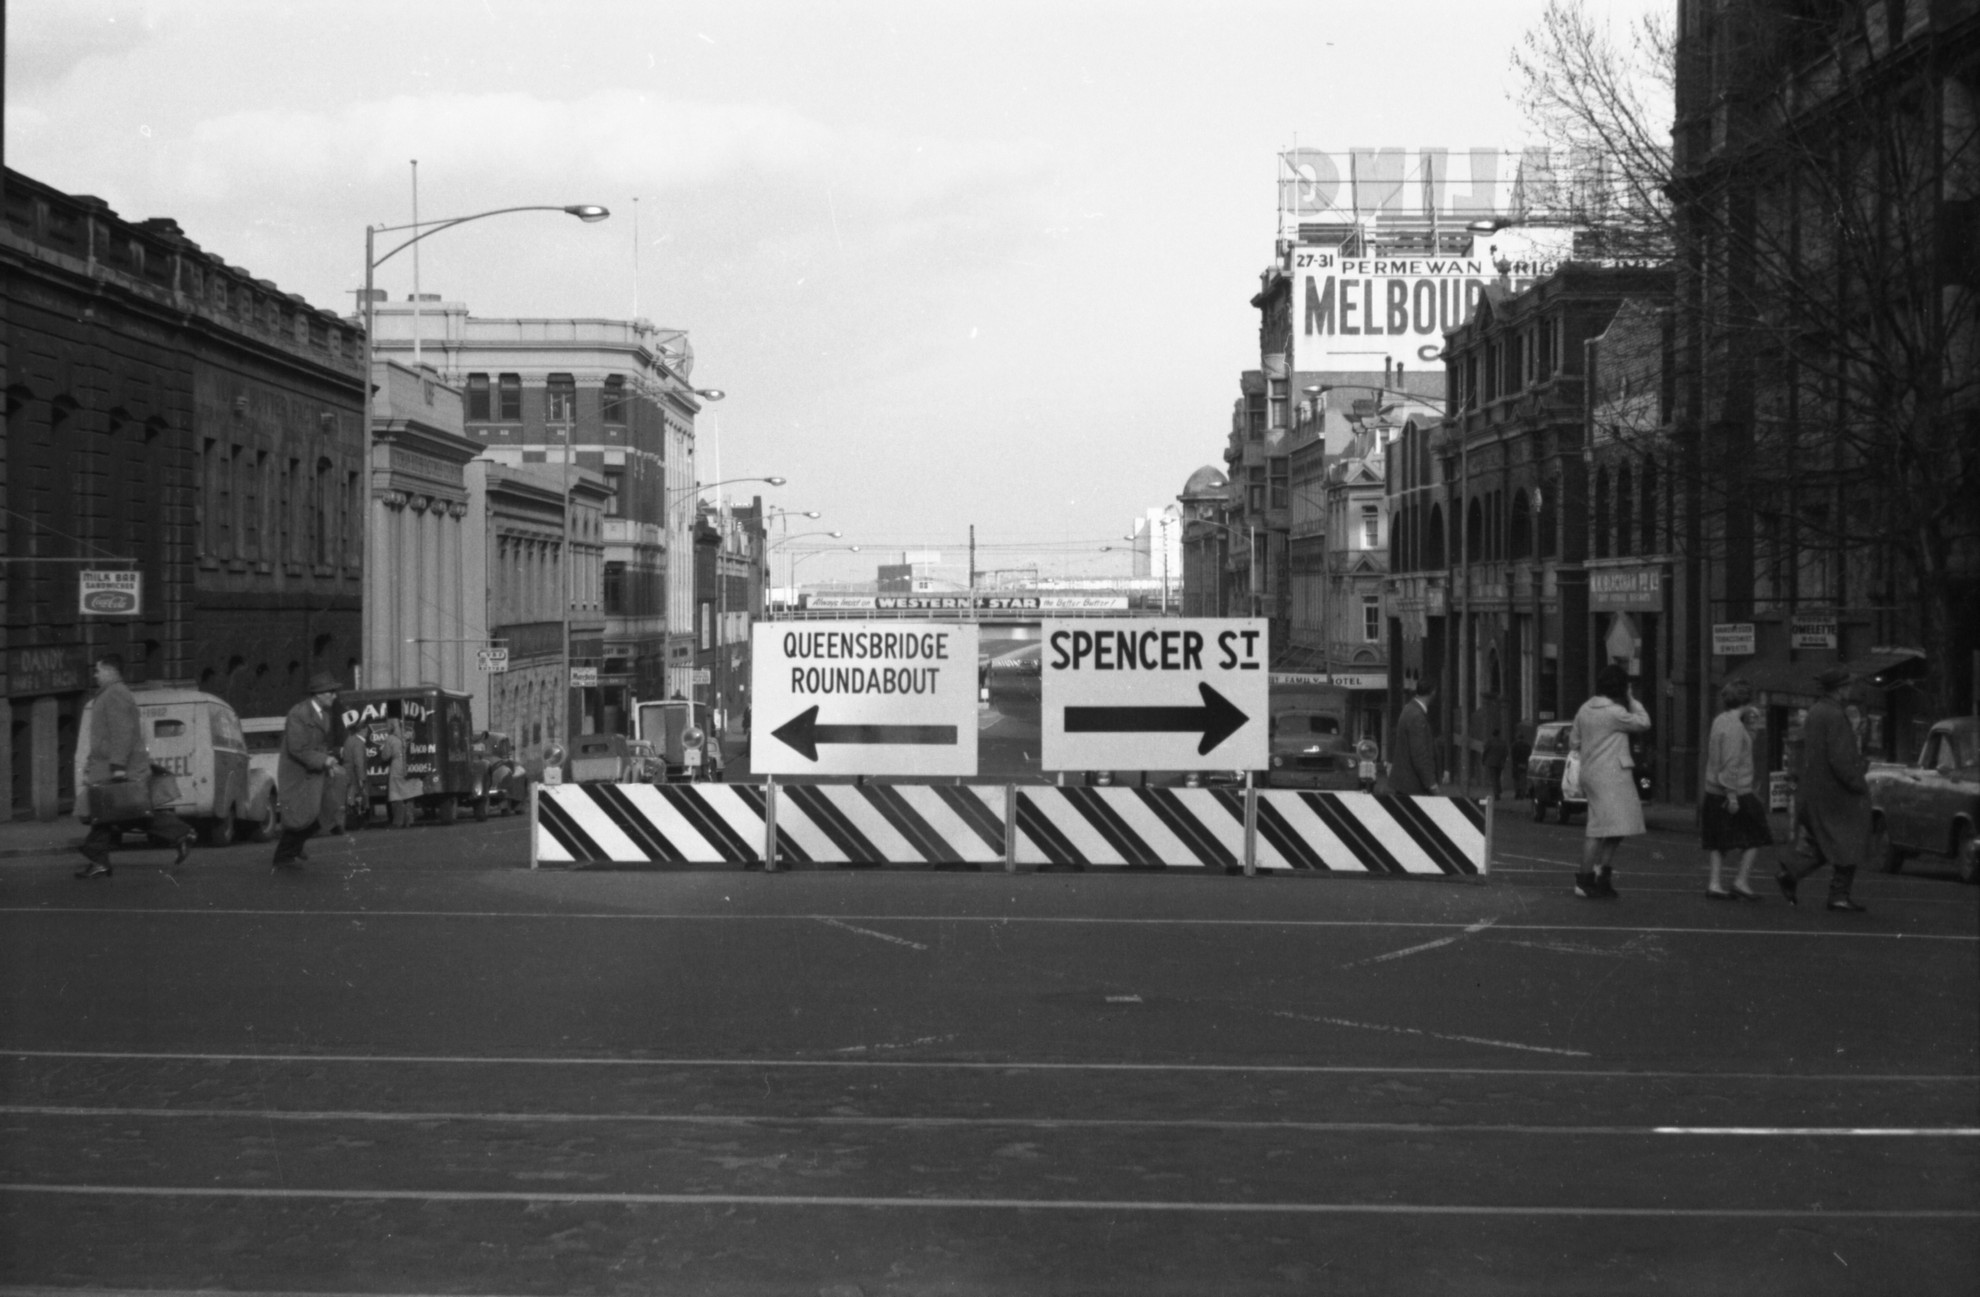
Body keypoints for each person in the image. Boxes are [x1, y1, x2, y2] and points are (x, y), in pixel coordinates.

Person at [76, 653, 194, 879]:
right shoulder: (112, 694)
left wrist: (118, 767)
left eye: (98, 670)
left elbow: (123, 733)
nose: (95, 674)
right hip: (110, 768)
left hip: (118, 770)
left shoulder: (115, 695)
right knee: (115, 815)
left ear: (111, 672)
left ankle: (181, 833)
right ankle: (99, 860)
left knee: (119, 815)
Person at [1778, 667, 1871, 913]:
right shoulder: (1835, 715)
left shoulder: (1817, 711)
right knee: (1849, 839)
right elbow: (1840, 758)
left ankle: (1792, 873)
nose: (1850, 689)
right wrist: (1858, 782)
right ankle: (1839, 895)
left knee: (1824, 840)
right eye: (1847, 685)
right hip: (1837, 792)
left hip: (1815, 788)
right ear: (1840, 689)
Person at [1571, 663, 1652, 899]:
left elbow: (1574, 742)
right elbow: (1644, 722)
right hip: (1612, 775)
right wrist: (1632, 699)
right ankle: (1587, 879)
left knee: (1616, 826)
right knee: (1600, 828)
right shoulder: (1616, 712)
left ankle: (1599, 876)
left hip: (1592, 773)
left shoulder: (1585, 709)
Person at [1701, 682, 1770, 900]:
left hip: (1714, 790)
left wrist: (1750, 724)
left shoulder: (1721, 720)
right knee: (1757, 835)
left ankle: (1714, 883)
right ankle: (1741, 881)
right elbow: (1731, 762)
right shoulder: (1734, 727)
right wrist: (1731, 796)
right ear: (1747, 701)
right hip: (1735, 790)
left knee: (1718, 840)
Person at [272, 671, 343, 869]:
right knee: (301, 816)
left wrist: (325, 762)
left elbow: (315, 746)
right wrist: (324, 760)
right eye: (331, 692)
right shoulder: (299, 713)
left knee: (325, 812)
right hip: (298, 773)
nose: (334, 696)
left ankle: (295, 846)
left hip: (314, 772)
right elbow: (297, 748)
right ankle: (284, 855)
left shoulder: (324, 716)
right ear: (319, 693)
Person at [1389, 681, 1440, 795]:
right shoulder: (1417, 716)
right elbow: (1419, 753)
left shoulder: (1408, 709)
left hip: (1404, 783)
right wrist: (1431, 783)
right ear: (1433, 692)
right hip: (1414, 785)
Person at [382, 714, 422, 828]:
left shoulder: (391, 739)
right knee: (409, 794)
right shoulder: (409, 735)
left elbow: (385, 756)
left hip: (397, 765)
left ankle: (398, 821)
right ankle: (409, 819)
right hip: (410, 765)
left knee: (396, 794)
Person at [1481, 728, 1508, 802]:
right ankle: (1498, 792)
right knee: (1497, 778)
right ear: (1499, 734)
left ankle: (1496, 794)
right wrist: (1503, 761)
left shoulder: (1490, 742)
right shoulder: (1502, 743)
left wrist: (1483, 760)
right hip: (1499, 763)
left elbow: (1485, 751)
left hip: (1491, 762)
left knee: (1493, 778)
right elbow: (1505, 753)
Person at [1510, 723, 1535, 801]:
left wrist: (1515, 763)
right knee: (1523, 780)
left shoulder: (1514, 745)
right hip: (1524, 764)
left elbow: (1512, 755)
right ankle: (1523, 793)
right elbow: (1530, 754)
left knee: (1516, 780)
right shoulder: (1527, 745)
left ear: (1517, 738)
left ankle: (1517, 793)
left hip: (1516, 764)